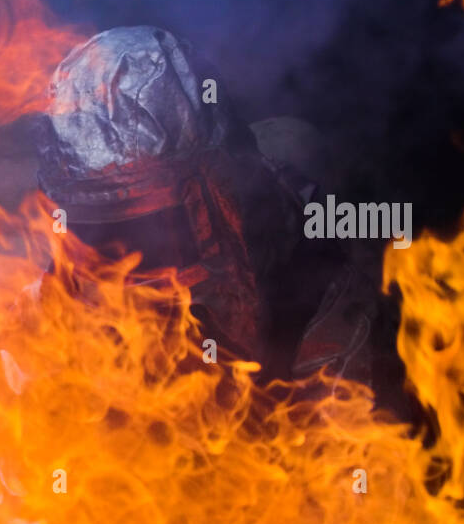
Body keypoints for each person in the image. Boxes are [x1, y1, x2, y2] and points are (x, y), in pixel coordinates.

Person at [37, 26, 373, 387]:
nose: (124, 272)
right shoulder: (80, 268)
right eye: (95, 230)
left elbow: (337, 426)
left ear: (220, 199)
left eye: (147, 232)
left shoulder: (312, 282)